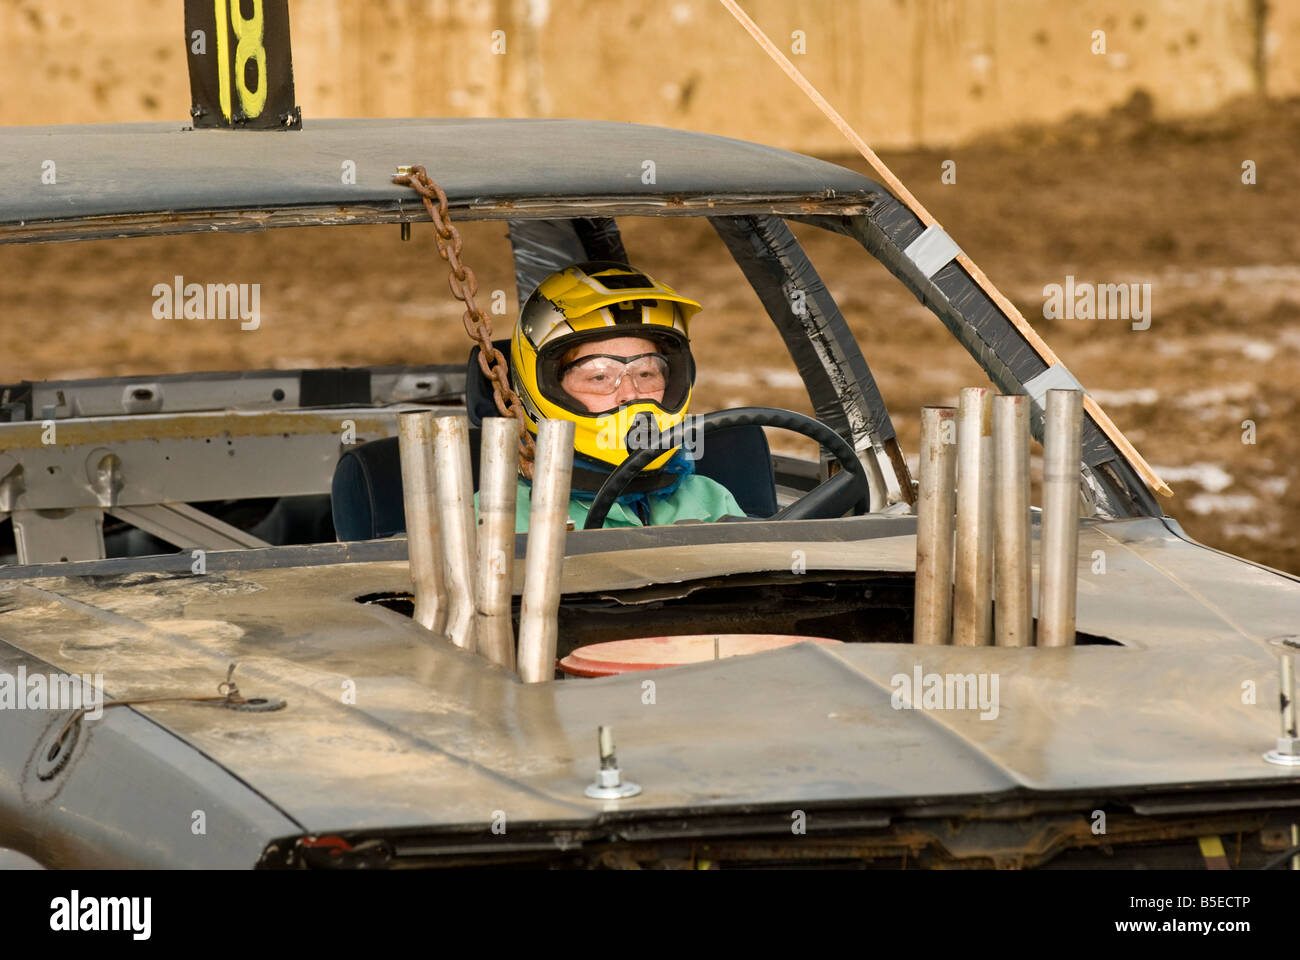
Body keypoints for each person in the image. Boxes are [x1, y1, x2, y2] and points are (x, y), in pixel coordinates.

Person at [505, 261, 744, 532]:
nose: (630, 394)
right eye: (599, 376)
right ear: (544, 386)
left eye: (646, 373)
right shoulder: (500, 520)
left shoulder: (713, 502)